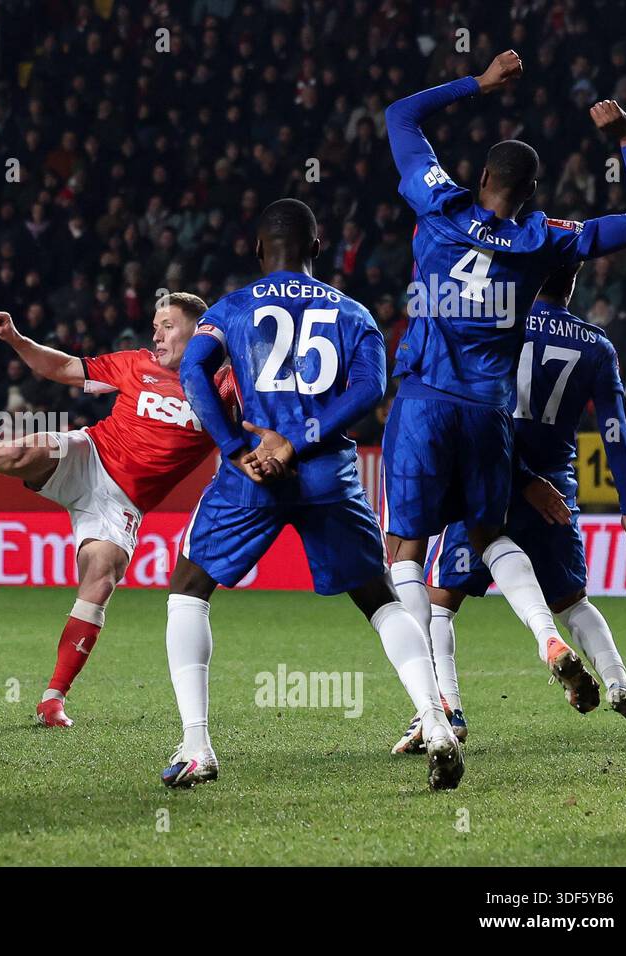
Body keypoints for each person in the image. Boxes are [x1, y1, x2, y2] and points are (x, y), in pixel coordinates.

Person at [380, 52, 626, 726]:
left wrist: (476, 85)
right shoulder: (545, 240)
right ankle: (550, 641)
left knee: (408, 556)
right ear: (533, 194)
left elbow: (399, 114)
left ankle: (436, 707)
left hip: (423, 401)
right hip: (489, 416)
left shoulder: (437, 202)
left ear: (479, 178)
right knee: (490, 534)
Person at [163, 197, 465, 791]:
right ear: (318, 248)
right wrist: (298, 442)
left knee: (189, 589)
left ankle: (197, 745)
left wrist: (235, 447)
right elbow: (372, 388)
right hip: (327, 472)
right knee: (379, 599)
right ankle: (435, 723)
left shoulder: (230, 309)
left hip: (251, 474)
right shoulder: (354, 313)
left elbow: (194, 372)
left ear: (258, 250)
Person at [0, 293, 234, 728]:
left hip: (123, 503)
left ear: (200, 331)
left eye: (168, 325)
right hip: (91, 456)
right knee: (29, 448)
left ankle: (53, 698)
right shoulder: (136, 364)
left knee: (101, 576)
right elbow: (62, 367)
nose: (156, 334)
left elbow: (257, 427)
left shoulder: (225, 389)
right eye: (155, 324)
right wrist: (15, 338)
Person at [408, 263, 626, 749]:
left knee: (439, 604)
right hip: (555, 494)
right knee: (575, 603)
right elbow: (614, 429)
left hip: (490, 483)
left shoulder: (496, 326)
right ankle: (622, 688)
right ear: (573, 283)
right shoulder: (596, 344)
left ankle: (450, 712)